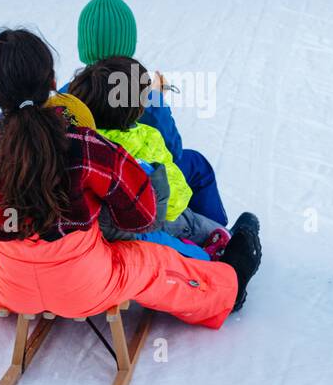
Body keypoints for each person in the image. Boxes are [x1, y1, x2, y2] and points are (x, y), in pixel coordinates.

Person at [0, 29, 262, 325]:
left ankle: (16, 283)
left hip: (12, 291)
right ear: (53, 82)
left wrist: (23, 243)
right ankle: (226, 288)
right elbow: (141, 218)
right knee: (152, 261)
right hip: (87, 287)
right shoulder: (87, 145)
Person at [75, 0, 228, 225]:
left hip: (95, 188)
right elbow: (173, 151)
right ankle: (215, 235)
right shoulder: (142, 96)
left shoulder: (71, 91)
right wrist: (156, 96)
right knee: (195, 163)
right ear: (128, 43)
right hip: (141, 187)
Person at [67, 56, 231, 257]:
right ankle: (223, 241)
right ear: (136, 110)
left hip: (105, 223)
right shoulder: (146, 138)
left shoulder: (76, 134)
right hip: (152, 221)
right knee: (204, 226)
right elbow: (172, 200)